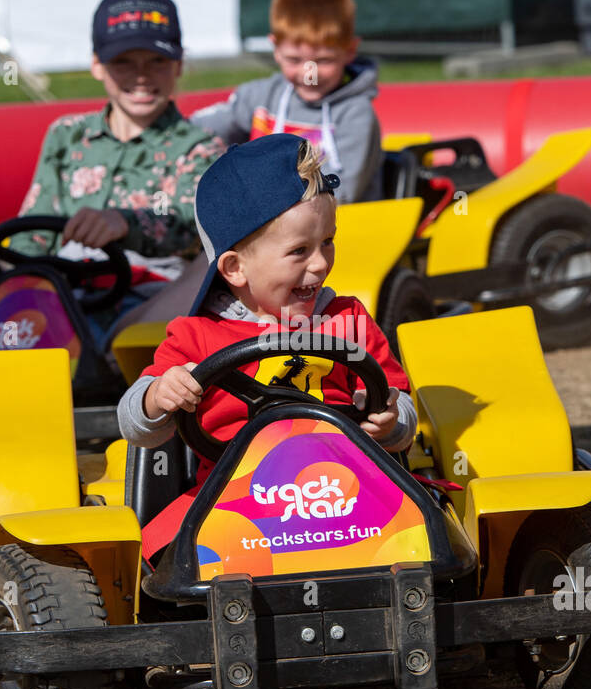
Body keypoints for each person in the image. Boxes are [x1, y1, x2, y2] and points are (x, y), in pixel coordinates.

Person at [117, 134, 417, 559]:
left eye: (327, 242)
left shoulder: (347, 321)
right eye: (299, 251)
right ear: (235, 268)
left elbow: (399, 406)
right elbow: (135, 425)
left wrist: (390, 420)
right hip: (229, 502)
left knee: (430, 538)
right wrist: (156, 396)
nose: (320, 264)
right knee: (157, 562)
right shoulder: (196, 336)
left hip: (346, 495)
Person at [0, 0, 225, 335]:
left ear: (178, 65)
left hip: (144, 300)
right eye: (123, 62)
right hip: (53, 289)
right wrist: (24, 275)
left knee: (219, 256)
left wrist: (125, 223)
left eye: (157, 62)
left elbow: (192, 228)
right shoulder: (67, 135)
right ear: (97, 66)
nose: (141, 76)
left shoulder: (201, 147)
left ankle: (114, 357)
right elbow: (35, 226)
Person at [190, 0, 383, 203]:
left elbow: (340, 195)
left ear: (350, 50)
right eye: (294, 59)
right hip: (265, 220)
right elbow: (196, 131)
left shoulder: (355, 113)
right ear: (275, 49)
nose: (309, 74)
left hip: (332, 228)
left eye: (323, 60)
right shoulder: (260, 96)